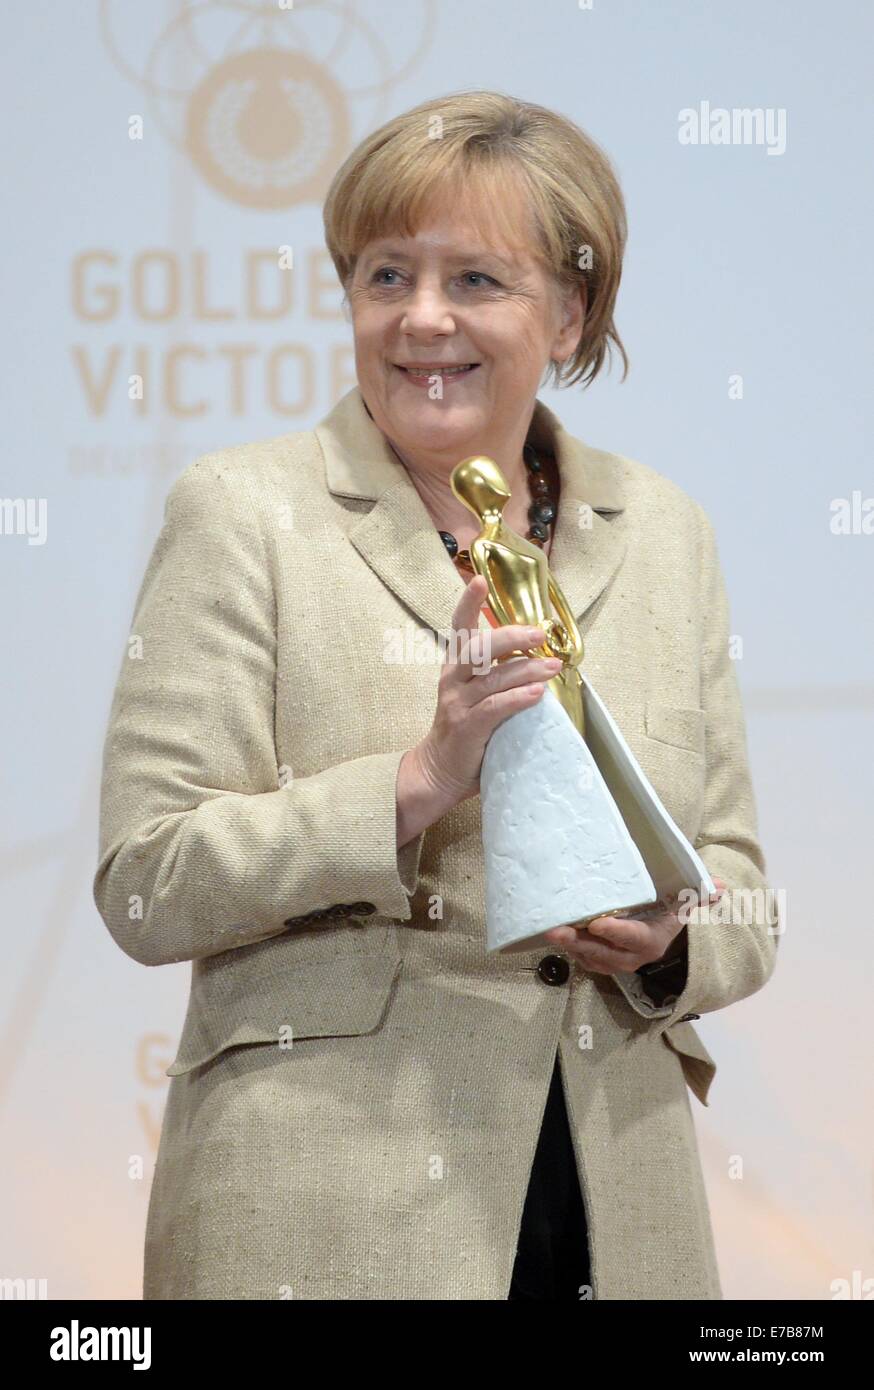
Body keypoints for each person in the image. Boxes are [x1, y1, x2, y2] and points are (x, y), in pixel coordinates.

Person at [93, 90, 777, 1301]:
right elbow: (146, 880)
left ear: (570, 311)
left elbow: (743, 886)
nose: (420, 319)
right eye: (384, 275)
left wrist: (673, 947)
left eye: (475, 281)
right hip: (325, 1215)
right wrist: (417, 781)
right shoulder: (243, 511)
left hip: (618, 1211)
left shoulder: (667, 531)